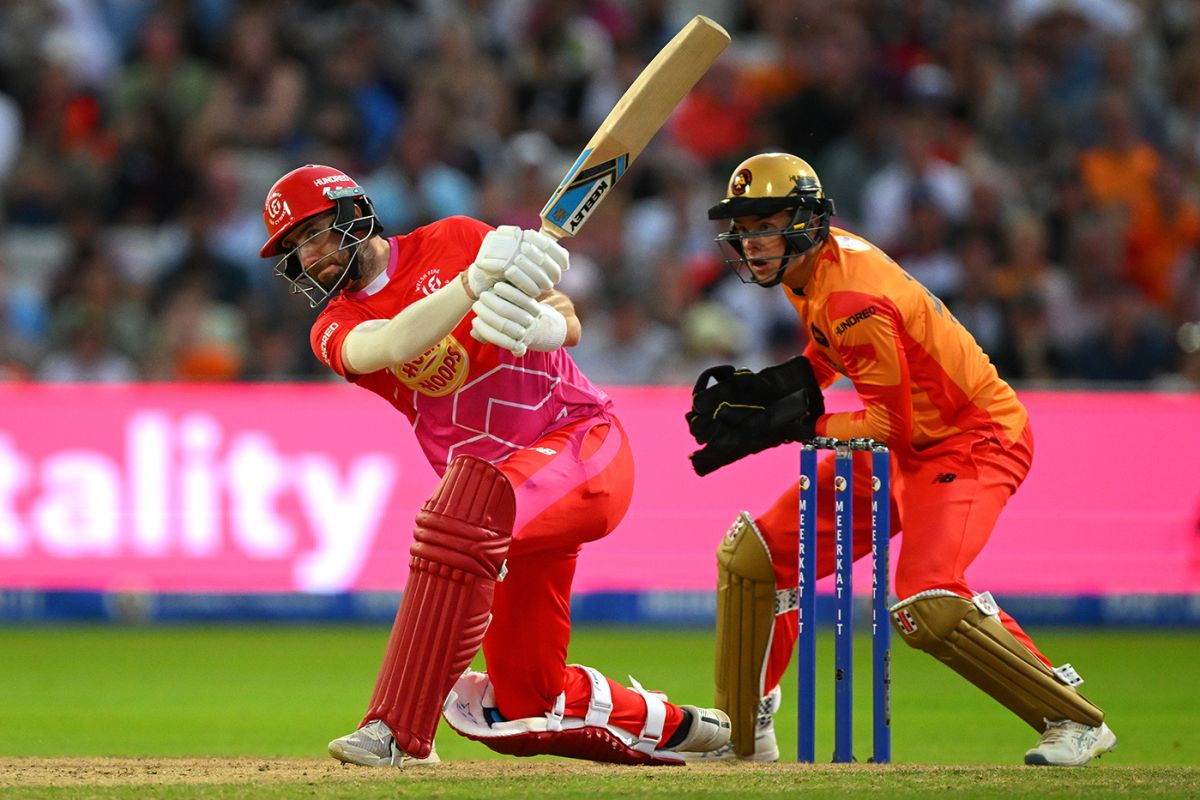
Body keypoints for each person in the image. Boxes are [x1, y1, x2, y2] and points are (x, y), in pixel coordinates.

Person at [258, 164, 730, 767]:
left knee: (458, 515)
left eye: (314, 233)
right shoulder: (333, 325)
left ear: (353, 214)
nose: (309, 257)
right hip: (503, 509)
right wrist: (473, 285)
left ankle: (395, 732)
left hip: (583, 446)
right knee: (527, 698)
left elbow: (561, 306)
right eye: (295, 249)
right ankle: (692, 728)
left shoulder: (454, 237)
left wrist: (552, 324)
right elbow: (393, 344)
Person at [685, 153, 1117, 767]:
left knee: (928, 602)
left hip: (970, 440)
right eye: (745, 227)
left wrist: (786, 426)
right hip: (901, 446)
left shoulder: (851, 296)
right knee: (753, 558)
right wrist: (769, 390)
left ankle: (1072, 718)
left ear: (805, 222)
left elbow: (888, 424)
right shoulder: (809, 267)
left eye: (766, 223)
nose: (753, 241)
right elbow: (833, 354)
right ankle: (745, 733)